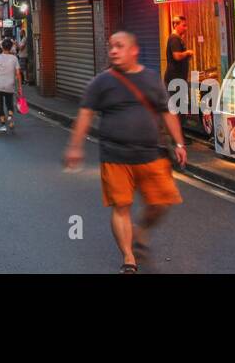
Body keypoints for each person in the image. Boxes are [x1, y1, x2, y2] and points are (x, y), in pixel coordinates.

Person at [64, 31, 186, 273]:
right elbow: (85, 114)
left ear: (134, 51)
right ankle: (129, 257)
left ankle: (140, 232)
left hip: (151, 154)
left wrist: (180, 143)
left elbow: (167, 112)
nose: (114, 51)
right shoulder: (101, 82)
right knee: (121, 206)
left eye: (119, 46)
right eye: (111, 47)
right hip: (115, 156)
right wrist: (75, 147)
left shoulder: (151, 79)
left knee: (161, 203)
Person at [0, 38, 23, 133]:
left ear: (2, 47)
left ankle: (3, 125)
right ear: (11, 47)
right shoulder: (14, 58)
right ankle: (10, 118)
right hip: (9, 85)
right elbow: (18, 74)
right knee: (9, 103)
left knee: (0, 105)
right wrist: (19, 87)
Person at [164, 16, 195, 114]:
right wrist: (187, 53)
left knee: (180, 109)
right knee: (177, 110)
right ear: (175, 25)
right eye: (183, 26)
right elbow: (177, 56)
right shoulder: (174, 38)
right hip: (175, 79)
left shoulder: (178, 38)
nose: (186, 28)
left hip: (178, 79)